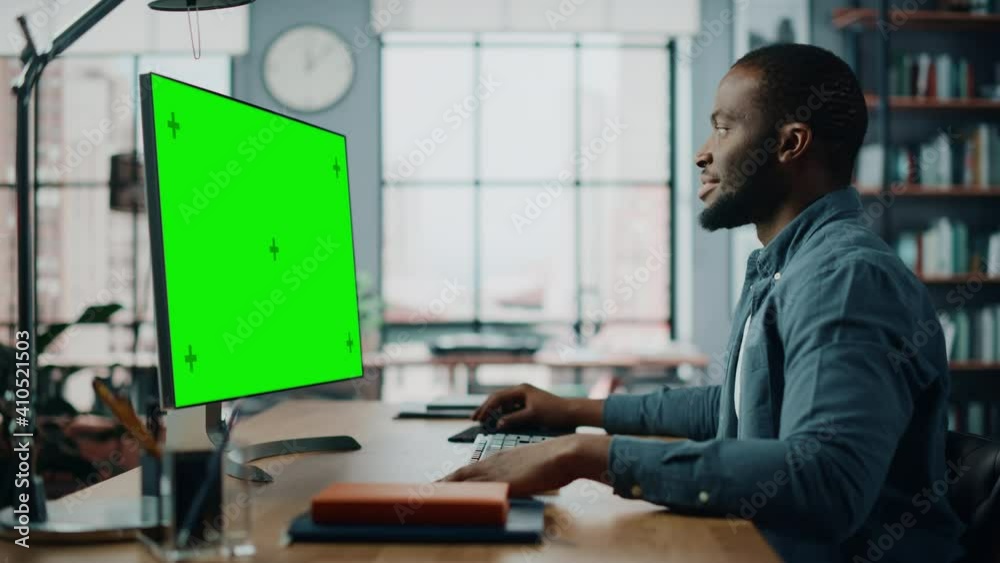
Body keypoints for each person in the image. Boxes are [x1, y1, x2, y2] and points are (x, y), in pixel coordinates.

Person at [444, 44, 965, 563]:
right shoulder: (793, 265)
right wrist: (574, 413)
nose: (702, 153)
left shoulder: (846, 279)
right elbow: (738, 406)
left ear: (790, 144)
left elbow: (825, 480)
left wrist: (585, 454)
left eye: (723, 127)